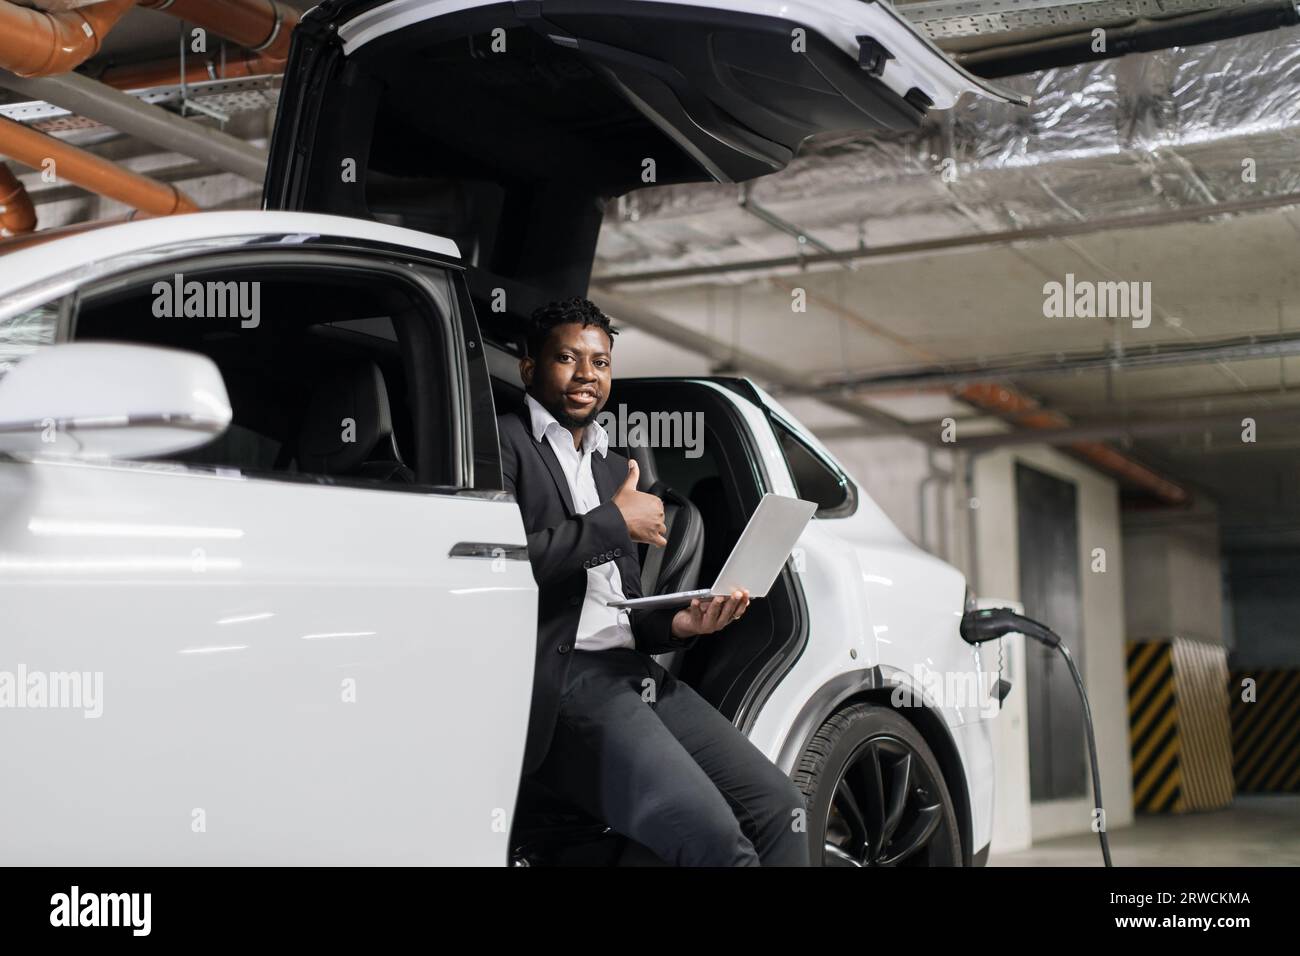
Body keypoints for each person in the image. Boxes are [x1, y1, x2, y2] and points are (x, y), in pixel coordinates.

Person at [499, 296, 809, 866]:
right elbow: (500, 563)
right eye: (567, 358)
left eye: (600, 362)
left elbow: (627, 605)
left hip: (631, 673)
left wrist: (683, 622)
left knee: (780, 809)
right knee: (714, 841)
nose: (586, 375)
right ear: (529, 368)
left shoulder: (613, 467)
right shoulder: (504, 445)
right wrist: (614, 521)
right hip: (563, 679)